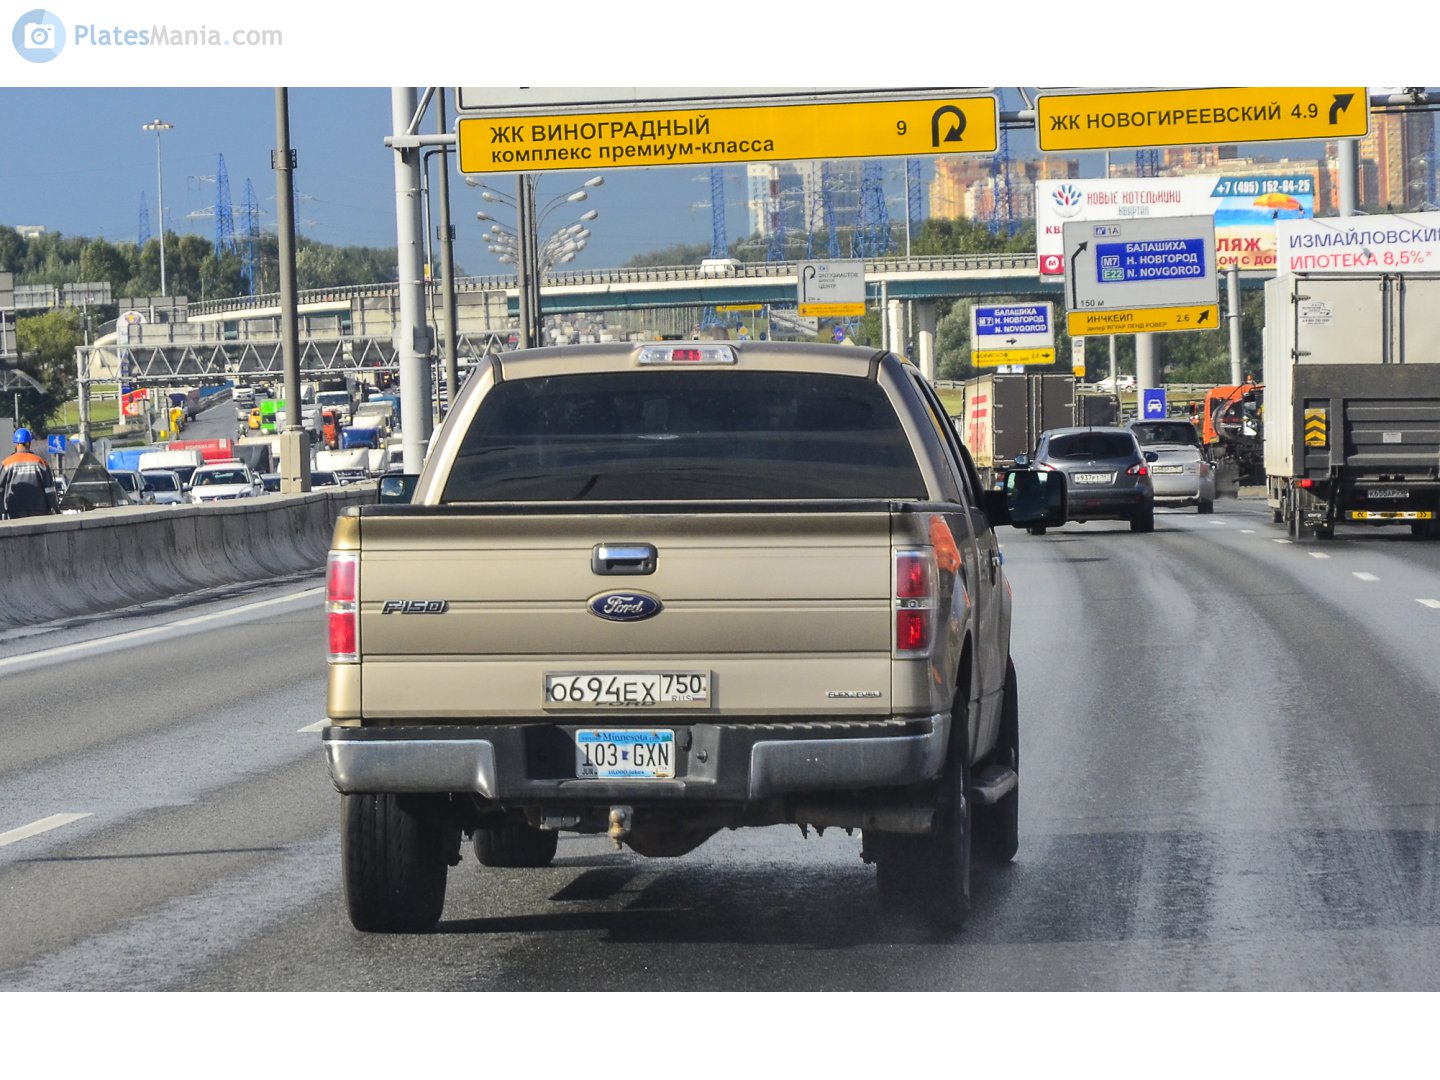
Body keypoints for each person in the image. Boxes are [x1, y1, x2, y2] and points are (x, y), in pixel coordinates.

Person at [1, 428, 60, 519]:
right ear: (29, 443)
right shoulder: (41, 462)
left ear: (16, 444)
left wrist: (2, 511)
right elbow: (50, 490)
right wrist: (56, 510)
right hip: (39, 511)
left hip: (15, 511)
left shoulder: (6, 463)